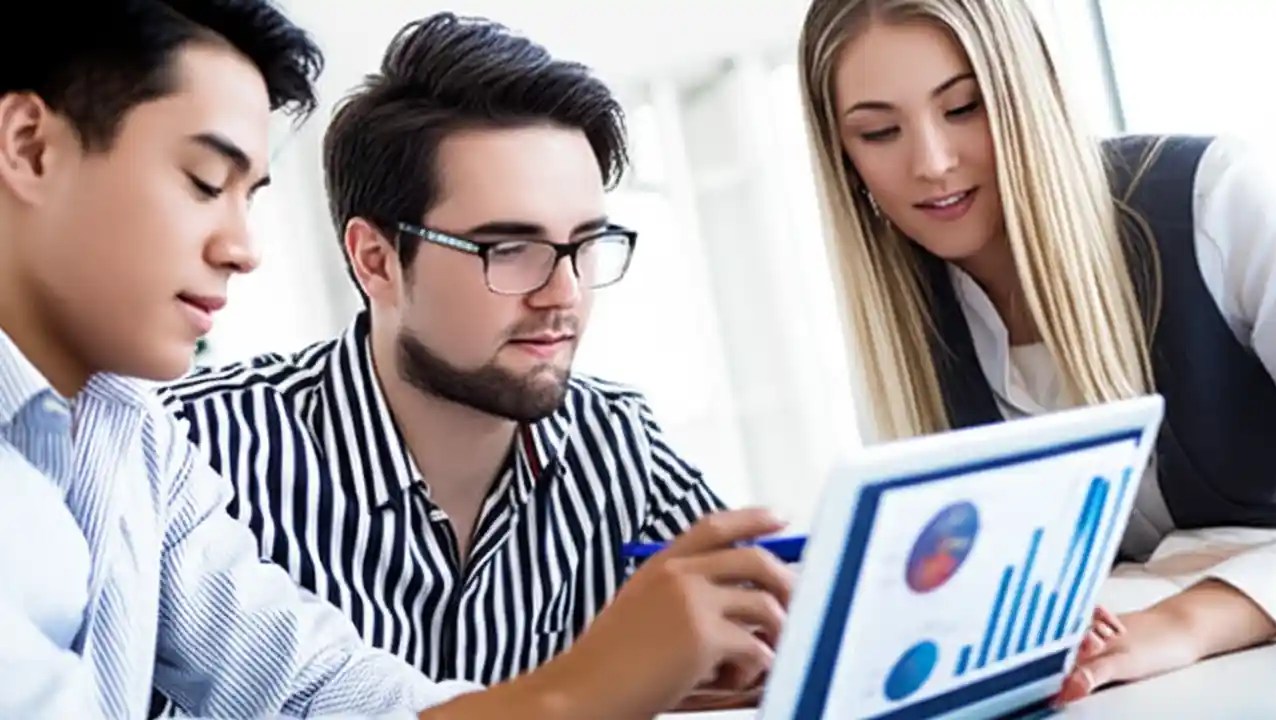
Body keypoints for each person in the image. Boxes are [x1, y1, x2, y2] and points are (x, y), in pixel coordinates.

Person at [0, 2, 790, 718]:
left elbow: (321, 693)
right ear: (374, 261)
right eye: (205, 183)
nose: (244, 250)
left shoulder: (130, 439)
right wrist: (587, 688)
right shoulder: (206, 438)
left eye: (587, 246)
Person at [796, 0, 1276, 703]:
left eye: (963, 108)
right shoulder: (904, 345)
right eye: (879, 132)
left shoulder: (1215, 201)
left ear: (1027, 93)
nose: (930, 163)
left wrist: (1192, 618)